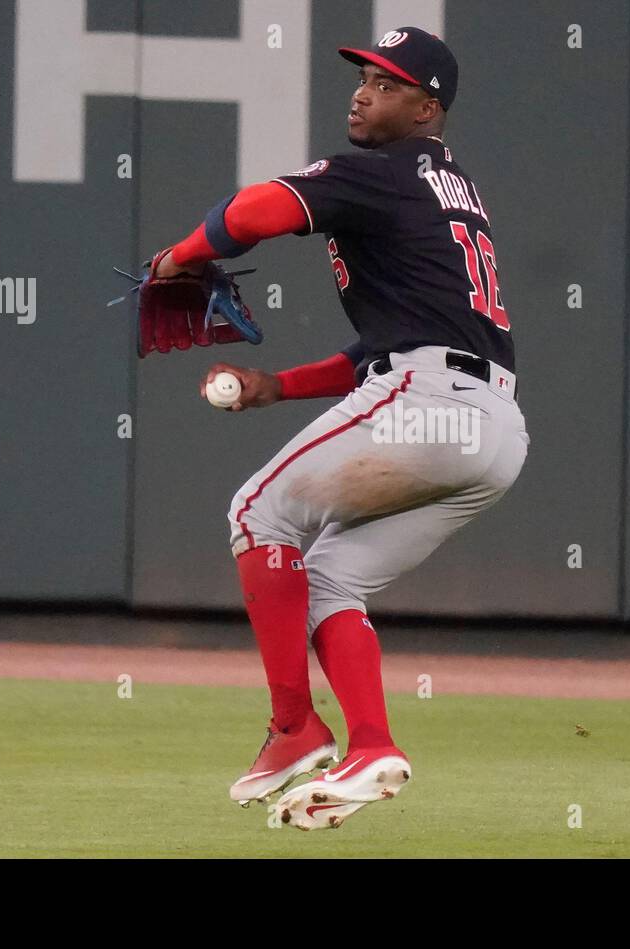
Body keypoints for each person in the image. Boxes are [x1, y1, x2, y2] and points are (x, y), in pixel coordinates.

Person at [151, 27, 528, 830]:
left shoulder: (385, 172)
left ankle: (293, 727)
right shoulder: (446, 185)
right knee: (329, 580)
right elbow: (384, 349)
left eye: (388, 84)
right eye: (364, 76)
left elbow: (256, 209)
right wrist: (274, 387)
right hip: (493, 431)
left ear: (429, 108)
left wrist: (180, 256)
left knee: (257, 511)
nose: (363, 91)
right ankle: (372, 743)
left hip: (431, 403)